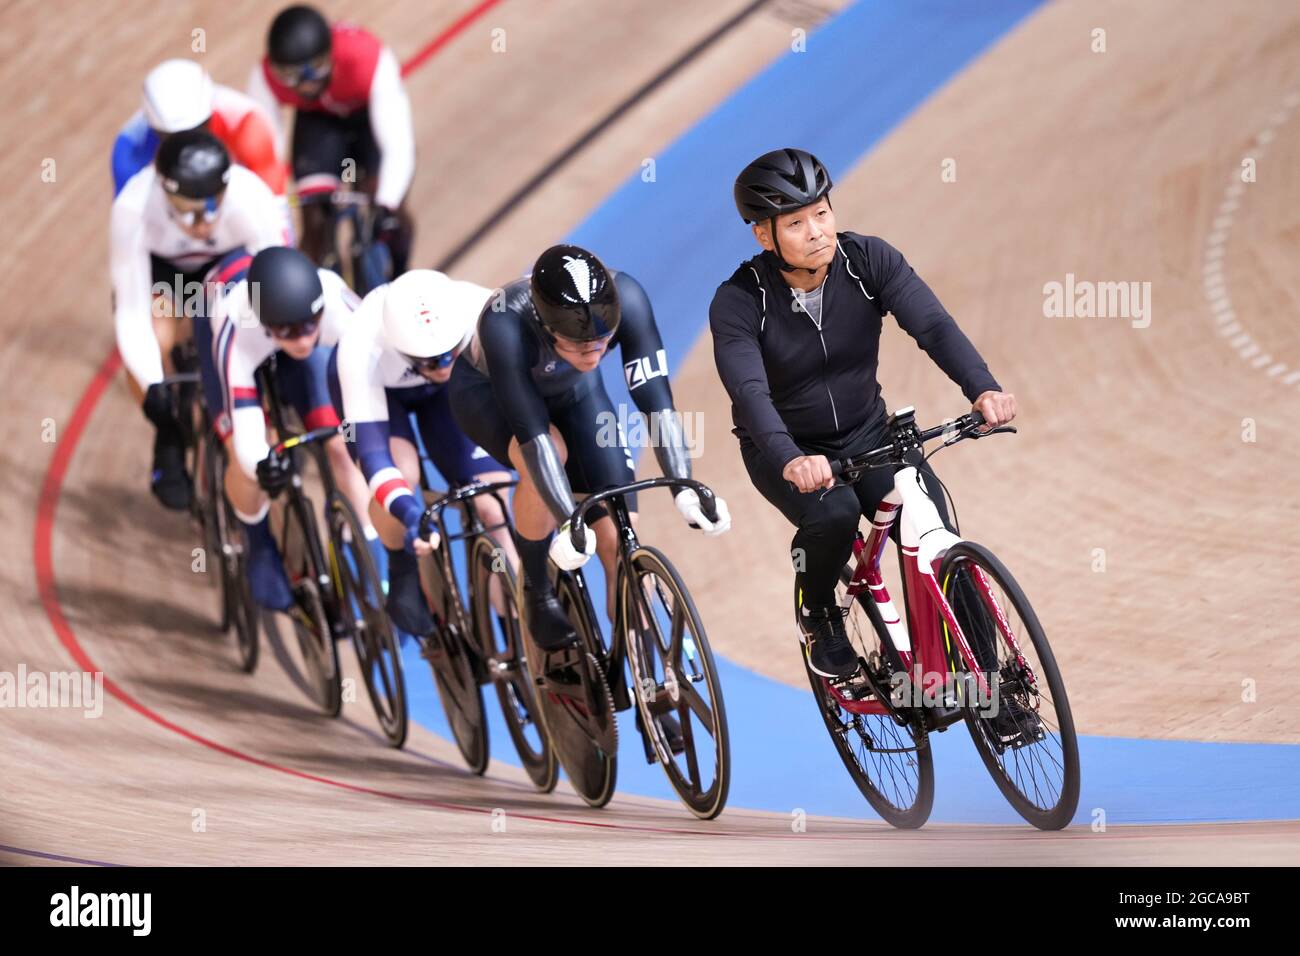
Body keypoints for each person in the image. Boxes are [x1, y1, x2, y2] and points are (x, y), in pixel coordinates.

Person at [710, 148, 1017, 680]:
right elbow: (750, 392)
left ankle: (993, 689)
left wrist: (982, 388)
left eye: (823, 213)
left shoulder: (869, 260)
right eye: (797, 222)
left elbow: (934, 327)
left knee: (934, 528)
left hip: (868, 434)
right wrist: (789, 459)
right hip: (786, 448)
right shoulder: (739, 301)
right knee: (831, 514)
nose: (817, 231)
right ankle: (819, 613)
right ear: (764, 236)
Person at [448, 244, 732, 653]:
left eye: (604, 340)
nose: (595, 351)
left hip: (577, 394)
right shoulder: (504, 322)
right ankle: (535, 587)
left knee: (618, 539)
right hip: (487, 397)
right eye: (579, 344)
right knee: (552, 455)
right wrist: (569, 521)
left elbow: (657, 404)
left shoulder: (628, 297)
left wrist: (684, 487)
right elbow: (535, 439)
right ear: (547, 329)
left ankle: (644, 673)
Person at [329, 270, 514, 636]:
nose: (443, 367)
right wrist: (407, 510)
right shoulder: (359, 346)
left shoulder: (481, 307)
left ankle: (518, 634)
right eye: (432, 361)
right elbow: (374, 459)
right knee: (404, 474)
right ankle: (401, 569)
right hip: (382, 395)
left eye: (450, 355)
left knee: (493, 506)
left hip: (450, 394)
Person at [111, 129, 287, 510]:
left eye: (213, 205)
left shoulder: (249, 196)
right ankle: (169, 435)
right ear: (164, 192)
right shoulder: (133, 207)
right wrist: (152, 382)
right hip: (167, 278)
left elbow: (280, 277)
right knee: (157, 339)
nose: (204, 220)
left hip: (227, 269)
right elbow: (130, 308)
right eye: (189, 208)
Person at [200, 246, 371, 610]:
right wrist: (261, 463)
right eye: (289, 331)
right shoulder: (237, 328)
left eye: (312, 324)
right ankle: (258, 542)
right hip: (225, 327)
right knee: (246, 462)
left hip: (282, 344)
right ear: (265, 323)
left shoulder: (335, 299)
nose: (305, 338)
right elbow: (245, 426)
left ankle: (370, 554)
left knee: (342, 444)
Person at [248, 4, 415, 275]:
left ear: (331, 56)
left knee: (389, 215)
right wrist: (271, 211)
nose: (305, 85)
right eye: (290, 77)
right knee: (313, 220)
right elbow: (265, 154)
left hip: (368, 118)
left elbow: (398, 146)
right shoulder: (264, 78)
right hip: (319, 122)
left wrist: (387, 202)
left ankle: (403, 275)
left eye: (314, 70)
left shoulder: (368, 57)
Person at [112, 60, 288, 225]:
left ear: (210, 114)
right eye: (172, 137)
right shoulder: (129, 149)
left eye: (197, 130)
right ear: (154, 128)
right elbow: (132, 220)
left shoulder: (247, 125)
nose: (187, 147)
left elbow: (275, 205)